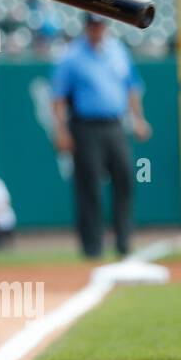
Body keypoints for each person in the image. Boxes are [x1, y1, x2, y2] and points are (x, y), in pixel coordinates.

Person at [50, 14, 151, 259]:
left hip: (115, 124)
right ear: (86, 27)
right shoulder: (72, 56)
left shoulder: (117, 50)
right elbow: (58, 97)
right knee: (89, 186)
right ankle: (92, 246)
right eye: (93, 25)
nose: (97, 29)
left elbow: (132, 88)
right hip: (85, 126)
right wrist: (61, 131)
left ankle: (124, 241)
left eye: (101, 25)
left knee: (124, 180)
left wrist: (138, 119)